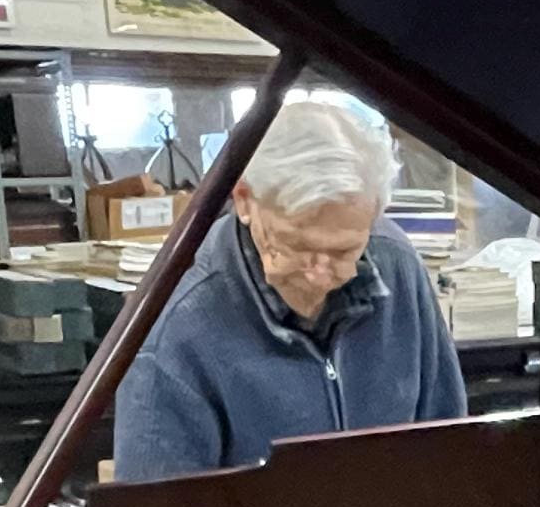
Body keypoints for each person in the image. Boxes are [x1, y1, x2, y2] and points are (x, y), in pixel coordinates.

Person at [114, 95, 464, 481]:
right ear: (245, 200)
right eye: (298, 246)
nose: (320, 274)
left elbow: (447, 445)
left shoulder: (397, 263)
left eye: (345, 250)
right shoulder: (176, 326)